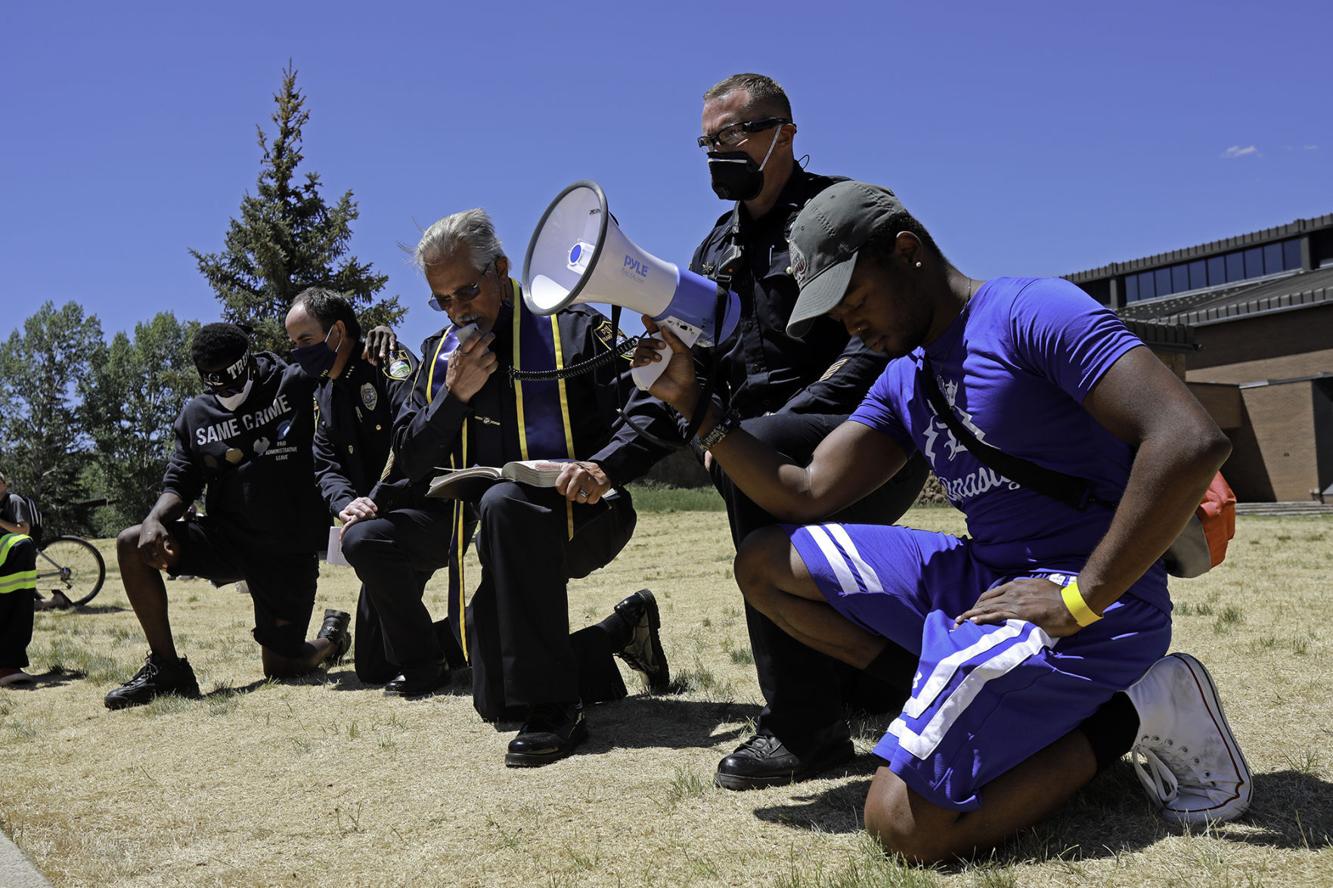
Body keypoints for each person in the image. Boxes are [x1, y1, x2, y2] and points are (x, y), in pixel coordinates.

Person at [635, 180, 1251, 861]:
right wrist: (695, 407)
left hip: (1093, 605)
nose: (848, 325)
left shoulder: (1029, 312)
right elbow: (803, 493)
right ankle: (945, 699)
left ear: (906, 251)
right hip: (985, 579)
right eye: (834, 312)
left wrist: (1082, 596)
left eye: (854, 298)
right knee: (764, 563)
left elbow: (1187, 439)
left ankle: (1134, 710)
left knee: (903, 827)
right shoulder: (906, 376)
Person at [589, 73, 929, 790]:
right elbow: (687, 380)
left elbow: (876, 341)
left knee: (758, 448)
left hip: (868, 441)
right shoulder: (716, 249)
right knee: (755, 451)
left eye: (732, 136)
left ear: (785, 132)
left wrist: (767, 431)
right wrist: (606, 466)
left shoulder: (840, 214)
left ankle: (804, 728)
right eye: (707, 141)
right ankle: (871, 675)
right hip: (768, 446)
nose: (718, 152)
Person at [340, 208, 668, 767]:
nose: (457, 310)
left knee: (505, 505)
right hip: (492, 534)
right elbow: (411, 459)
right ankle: (620, 631)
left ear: (501, 269)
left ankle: (556, 709)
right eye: (441, 300)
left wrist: (603, 467)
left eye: (466, 291)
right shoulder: (438, 356)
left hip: (586, 512)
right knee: (495, 698)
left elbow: (653, 406)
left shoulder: (575, 328)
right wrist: (454, 398)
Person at [103, 323, 355, 709]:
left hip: (286, 548)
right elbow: (180, 480)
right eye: (216, 383)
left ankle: (332, 639)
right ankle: (168, 668)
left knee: (284, 667)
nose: (229, 391)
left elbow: (344, 358)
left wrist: (378, 335)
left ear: (249, 362)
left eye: (234, 378)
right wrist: (155, 519)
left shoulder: (293, 382)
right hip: (227, 538)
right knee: (129, 541)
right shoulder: (195, 415)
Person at [284, 286, 461, 684]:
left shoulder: (387, 362)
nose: (298, 350)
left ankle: (425, 667)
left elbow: (411, 440)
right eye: (293, 342)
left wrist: (373, 501)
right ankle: (475, 630)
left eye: (306, 340)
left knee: (360, 540)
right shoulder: (324, 394)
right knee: (374, 666)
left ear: (338, 331)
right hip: (378, 528)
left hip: (428, 515)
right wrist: (346, 503)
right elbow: (325, 464)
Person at [0, 471, 38, 687]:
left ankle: (8, 662)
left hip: (13, 555)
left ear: (5, 484)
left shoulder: (12, 501)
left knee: (13, 600)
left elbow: (23, 530)